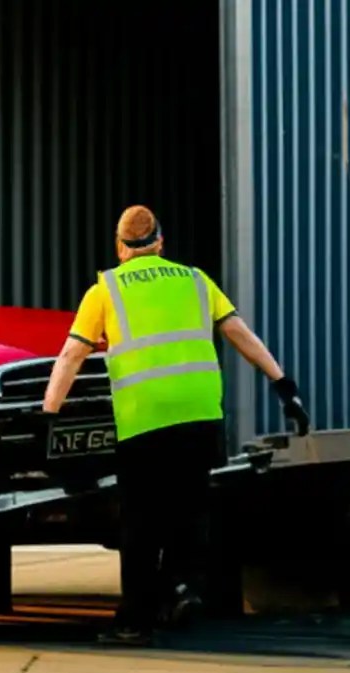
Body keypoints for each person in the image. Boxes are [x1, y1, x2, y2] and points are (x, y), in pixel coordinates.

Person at [42, 205, 310, 645]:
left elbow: (71, 356)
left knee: (140, 523)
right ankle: (180, 587)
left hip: (144, 420)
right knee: (191, 510)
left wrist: (48, 415)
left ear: (119, 246)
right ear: (161, 242)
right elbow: (241, 334)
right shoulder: (196, 281)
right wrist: (283, 384)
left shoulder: (105, 289)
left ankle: (134, 620)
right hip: (200, 414)